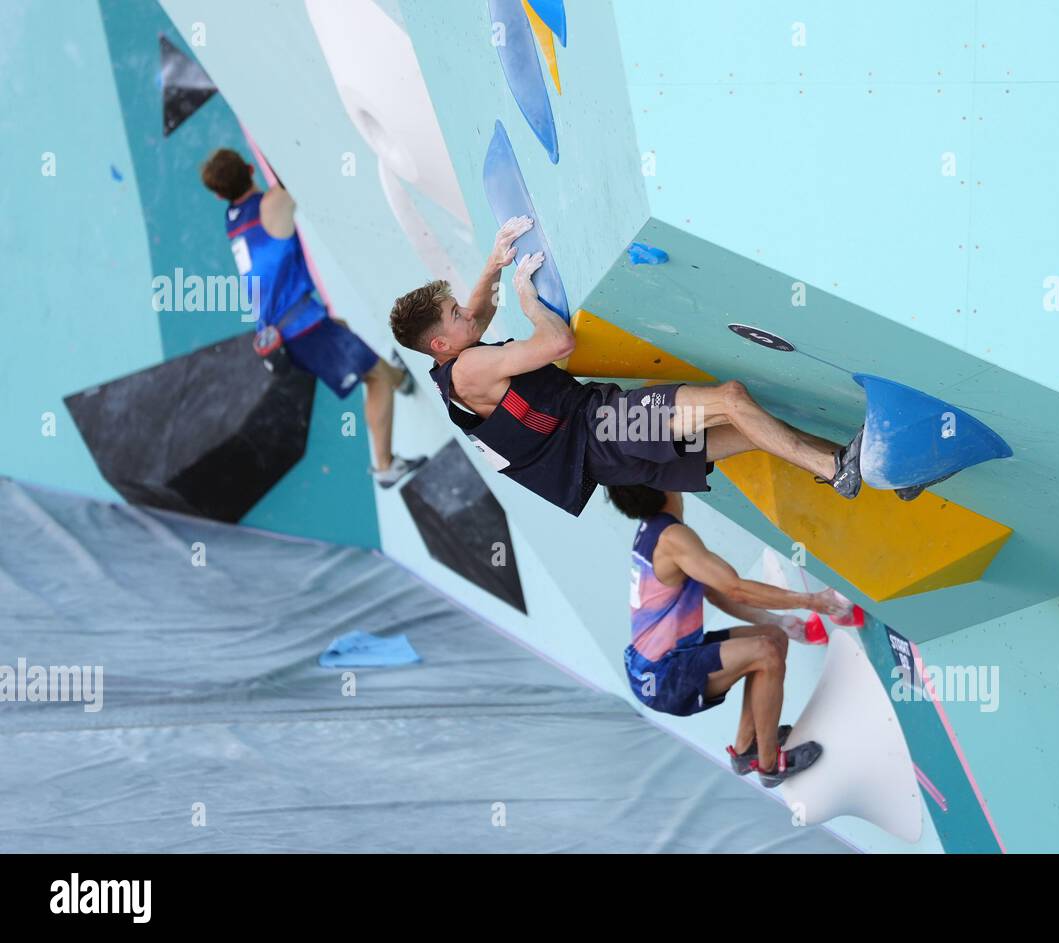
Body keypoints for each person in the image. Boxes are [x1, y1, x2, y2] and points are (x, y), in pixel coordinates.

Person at [390, 233, 945, 516]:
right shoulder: (472, 366)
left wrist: (492, 263)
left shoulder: (453, 370)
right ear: (442, 342)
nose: (467, 310)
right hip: (604, 427)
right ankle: (836, 468)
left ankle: (878, 471)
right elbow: (559, 341)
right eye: (455, 315)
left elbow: (477, 317)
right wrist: (527, 297)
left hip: (603, 457)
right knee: (730, 398)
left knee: (752, 434)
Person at [201, 148, 424, 488]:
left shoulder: (232, 218)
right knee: (373, 380)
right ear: (248, 168)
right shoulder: (272, 205)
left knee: (343, 331)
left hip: (283, 326)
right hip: (300, 329)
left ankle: (401, 378)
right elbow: (291, 171)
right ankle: (385, 466)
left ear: (219, 195)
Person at [608, 483, 859, 787]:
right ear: (661, 483)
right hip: (663, 675)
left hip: (660, 663)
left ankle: (745, 749)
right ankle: (769, 765)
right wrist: (813, 601)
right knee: (765, 653)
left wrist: (777, 621)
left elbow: (717, 594)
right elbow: (735, 588)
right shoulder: (673, 537)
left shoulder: (655, 530)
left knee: (773, 638)